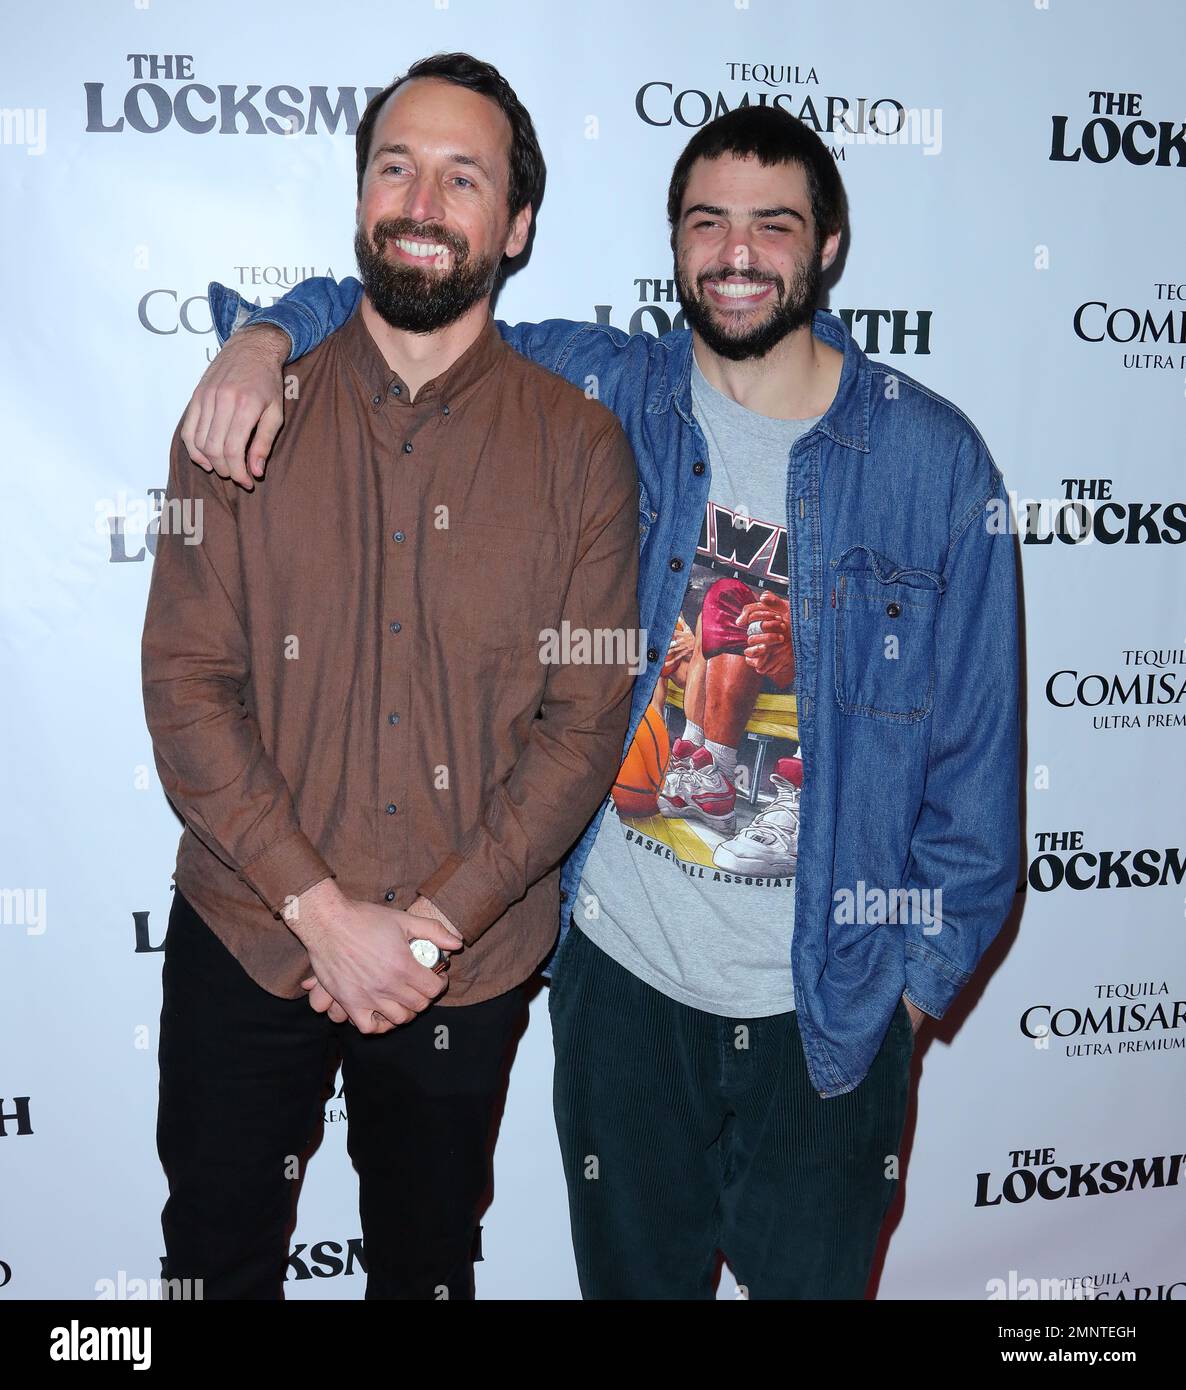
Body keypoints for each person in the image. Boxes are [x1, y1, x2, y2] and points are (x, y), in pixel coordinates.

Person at [180, 100, 1020, 1299]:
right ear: (672, 242)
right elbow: (417, 300)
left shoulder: (931, 462)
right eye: (705, 222)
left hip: (827, 1009)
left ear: (828, 247)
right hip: (621, 983)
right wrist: (263, 334)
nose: (736, 253)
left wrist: (904, 998)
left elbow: (980, 773)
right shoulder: (610, 387)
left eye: (772, 225)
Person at [141, 52, 639, 1300]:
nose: (421, 200)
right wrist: (320, 910)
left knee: (424, 1269)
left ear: (515, 225)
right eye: (395, 167)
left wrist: (429, 931)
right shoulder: (238, 410)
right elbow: (188, 684)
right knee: (212, 1262)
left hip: (464, 958)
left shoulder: (580, 446)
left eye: (461, 176)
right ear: (360, 195)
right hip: (248, 931)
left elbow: (584, 723)